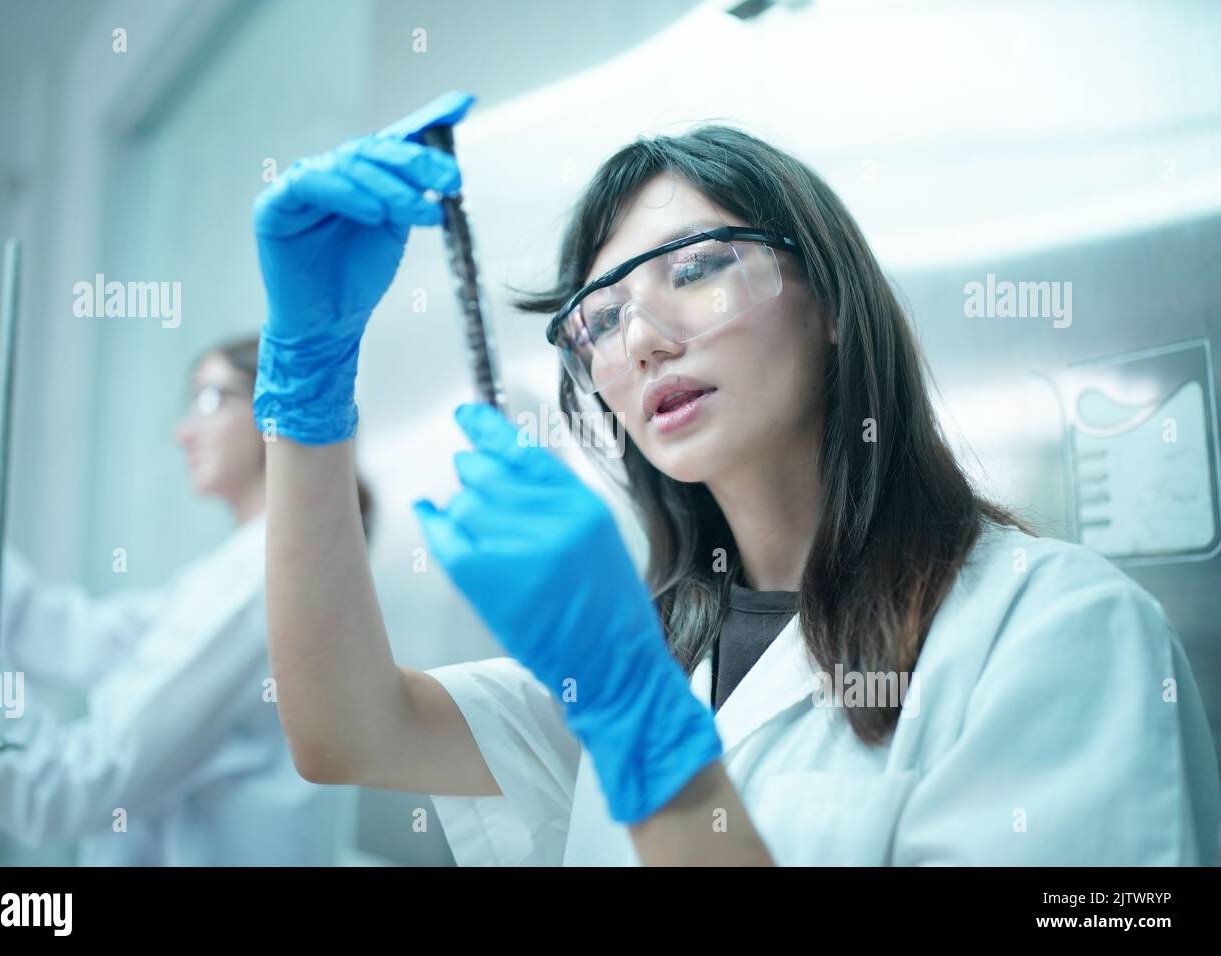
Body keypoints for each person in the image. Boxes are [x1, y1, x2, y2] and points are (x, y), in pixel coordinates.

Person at [252, 90, 1220, 866]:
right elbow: (345, 727)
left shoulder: (1054, 631)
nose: (641, 338)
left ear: (830, 302)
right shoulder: (646, 649)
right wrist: (307, 380)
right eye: (601, 318)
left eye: (697, 268)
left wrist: (644, 729)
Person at [0, 337, 369, 865]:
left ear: (278, 414)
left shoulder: (262, 582)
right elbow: (67, 639)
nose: (184, 432)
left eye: (211, 398)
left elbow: (70, 786)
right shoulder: (242, 570)